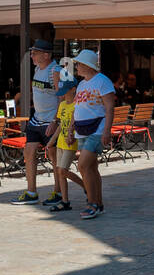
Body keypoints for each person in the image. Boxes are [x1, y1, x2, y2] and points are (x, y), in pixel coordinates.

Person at [13, 39, 61, 205]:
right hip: (37, 119)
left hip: (50, 121)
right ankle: (31, 192)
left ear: (46, 55)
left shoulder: (55, 70)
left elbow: (63, 98)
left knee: (55, 157)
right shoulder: (36, 69)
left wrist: (56, 121)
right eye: (32, 52)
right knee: (29, 151)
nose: (32, 55)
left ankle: (58, 192)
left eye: (35, 52)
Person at [72, 49, 115, 220]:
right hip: (82, 130)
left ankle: (92, 203)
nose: (77, 67)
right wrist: (71, 131)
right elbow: (78, 109)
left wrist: (107, 131)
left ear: (88, 65)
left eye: (79, 64)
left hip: (97, 129)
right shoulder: (82, 84)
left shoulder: (103, 81)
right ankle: (98, 202)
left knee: (82, 165)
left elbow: (109, 108)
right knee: (91, 167)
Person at [44, 79, 86, 210]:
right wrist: (51, 141)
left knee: (63, 170)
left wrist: (70, 134)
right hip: (61, 142)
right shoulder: (62, 105)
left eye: (65, 91)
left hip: (71, 142)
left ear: (73, 89)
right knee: (60, 172)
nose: (63, 95)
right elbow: (61, 124)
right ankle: (65, 201)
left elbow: (76, 124)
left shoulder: (77, 105)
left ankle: (85, 185)